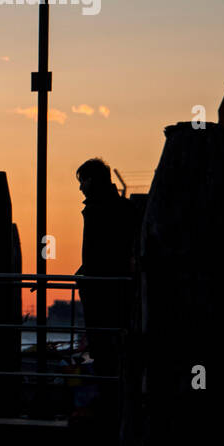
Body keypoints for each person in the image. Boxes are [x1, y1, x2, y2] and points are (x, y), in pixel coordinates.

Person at [75, 158, 135, 392]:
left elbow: (99, 251)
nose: (80, 187)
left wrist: (87, 272)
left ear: (91, 181)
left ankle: (107, 396)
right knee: (115, 344)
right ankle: (113, 394)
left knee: (103, 345)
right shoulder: (124, 208)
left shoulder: (98, 209)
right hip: (113, 286)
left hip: (101, 289)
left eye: (82, 181)